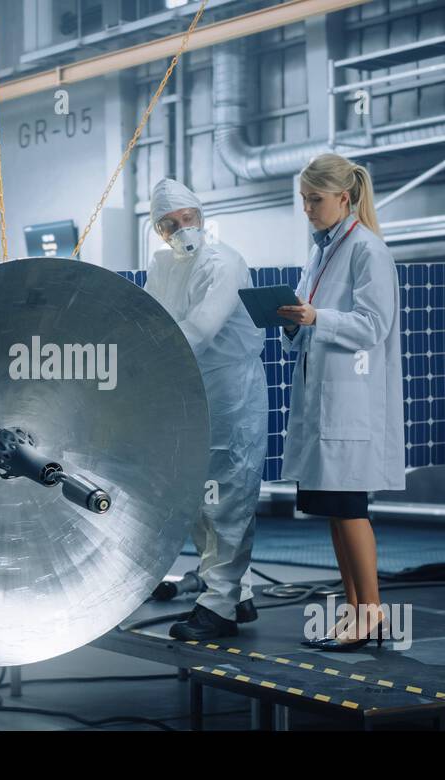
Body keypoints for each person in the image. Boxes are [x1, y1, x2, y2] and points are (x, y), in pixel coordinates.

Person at [277, 153, 405, 652]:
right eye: (303, 200)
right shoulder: (323, 252)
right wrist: (294, 322)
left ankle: (371, 613)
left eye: (315, 199)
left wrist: (317, 319)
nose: (307, 208)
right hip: (322, 398)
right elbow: (317, 320)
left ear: (344, 198)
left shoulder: (368, 250)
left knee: (351, 506)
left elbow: (375, 326)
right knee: (334, 506)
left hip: (351, 403)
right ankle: (356, 612)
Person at [144, 177, 268, 641]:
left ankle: (218, 607)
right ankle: (239, 591)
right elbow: (157, 318)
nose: (180, 229)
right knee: (200, 494)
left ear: (201, 215)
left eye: (187, 219)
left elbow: (199, 329)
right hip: (189, 392)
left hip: (232, 392)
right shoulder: (162, 265)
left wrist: (146, 363)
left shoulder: (225, 262)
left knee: (229, 493)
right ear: (157, 230)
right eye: (168, 224)